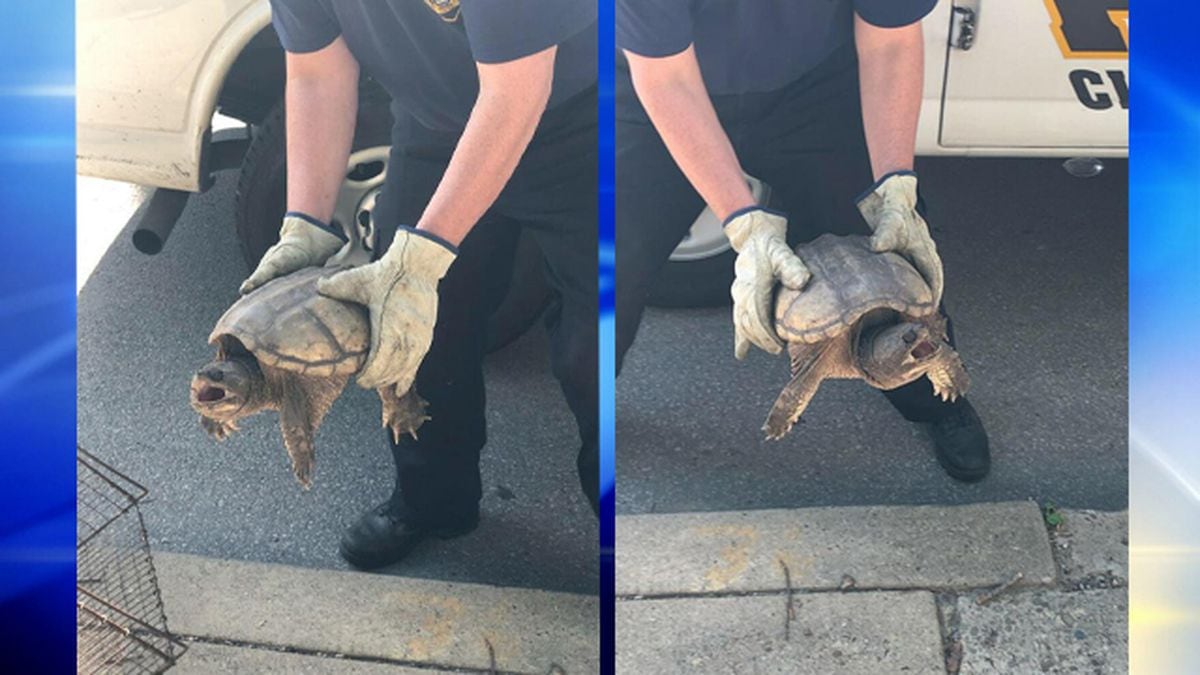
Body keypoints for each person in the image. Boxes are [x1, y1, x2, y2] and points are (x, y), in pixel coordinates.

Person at [244, 0, 599, 569]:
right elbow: (316, 72)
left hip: (578, 119)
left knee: (591, 348)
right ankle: (434, 500)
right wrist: (305, 227)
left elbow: (516, 92)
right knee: (413, 334)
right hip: (436, 125)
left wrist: (421, 257)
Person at [615, 0, 990, 481]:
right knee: (602, 269)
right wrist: (744, 224)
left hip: (813, 87)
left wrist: (895, 189)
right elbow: (667, 78)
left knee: (889, 247)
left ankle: (936, 398)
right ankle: (590, 407)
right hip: (658, 91)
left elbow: (891, 42)